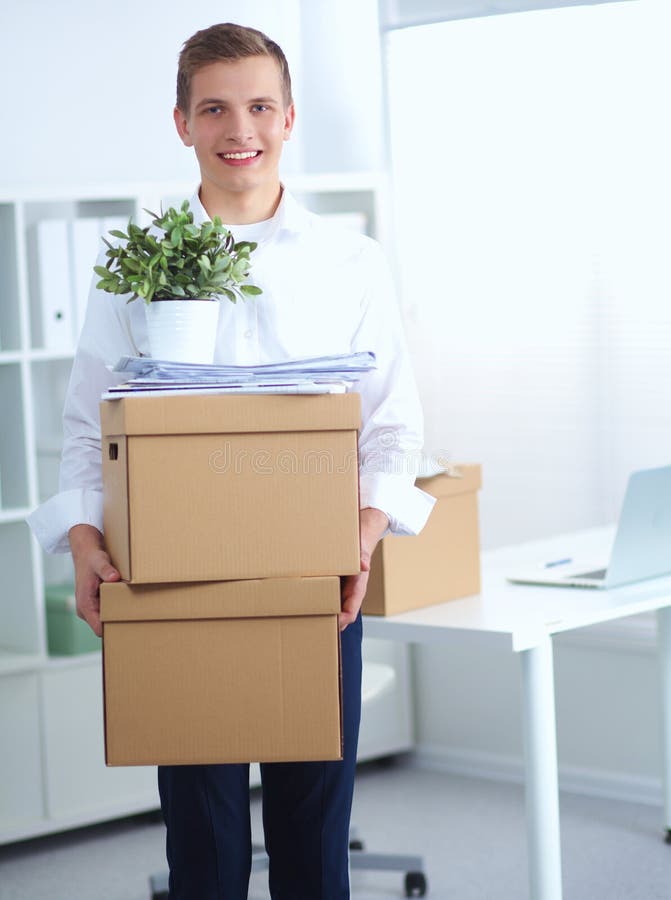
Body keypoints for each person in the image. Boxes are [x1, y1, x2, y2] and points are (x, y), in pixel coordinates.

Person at [28, 22, 434, 900]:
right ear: (181, 123)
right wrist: (89, 542)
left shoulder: (347, 262)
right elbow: (87, 422)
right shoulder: (132, 272)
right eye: (213, 108)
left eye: (257, 106)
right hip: (172, 581)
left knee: (312, 840)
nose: (237, 128)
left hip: (313, 576)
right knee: (202, 847)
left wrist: (360, 538)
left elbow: (392, 424)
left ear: (289, 118)